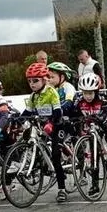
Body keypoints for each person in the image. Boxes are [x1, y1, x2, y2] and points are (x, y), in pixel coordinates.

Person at [23, 62, 67, 202]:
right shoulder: (33, 96)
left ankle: (62, 189)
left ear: (44, 79)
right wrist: (15, 119)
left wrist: (51, 122)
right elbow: (27, 112)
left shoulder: (51, 91)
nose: (32, 84)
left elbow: (58, 112)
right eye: (29, 81)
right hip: (43, 126)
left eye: (35, 80)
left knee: (55, 155)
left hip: (57, 125)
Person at [75, 71, 107, 197]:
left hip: (105, 124)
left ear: (96, 91)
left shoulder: (103, 100)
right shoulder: (79, 101)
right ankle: (95, 185)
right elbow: (74, 113)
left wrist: (102, 119)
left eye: (90, 93)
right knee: (95, 156)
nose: (87, 96)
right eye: (85, 93)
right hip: (92, 128)